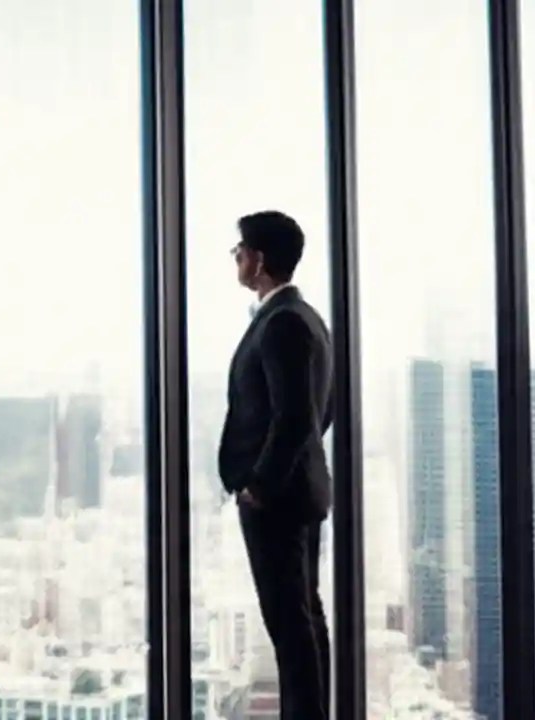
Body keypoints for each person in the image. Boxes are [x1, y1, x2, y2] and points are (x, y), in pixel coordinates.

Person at [218, 210, 333, 719]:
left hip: (278, 498)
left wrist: (259, 486)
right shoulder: (306, 318)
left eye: (239, 250)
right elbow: (319, 410)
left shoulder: (283, 322)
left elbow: (293, 416)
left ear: (258, 259)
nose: (236, 259)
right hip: (300, 488)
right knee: (305, 618)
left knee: (289, 623)